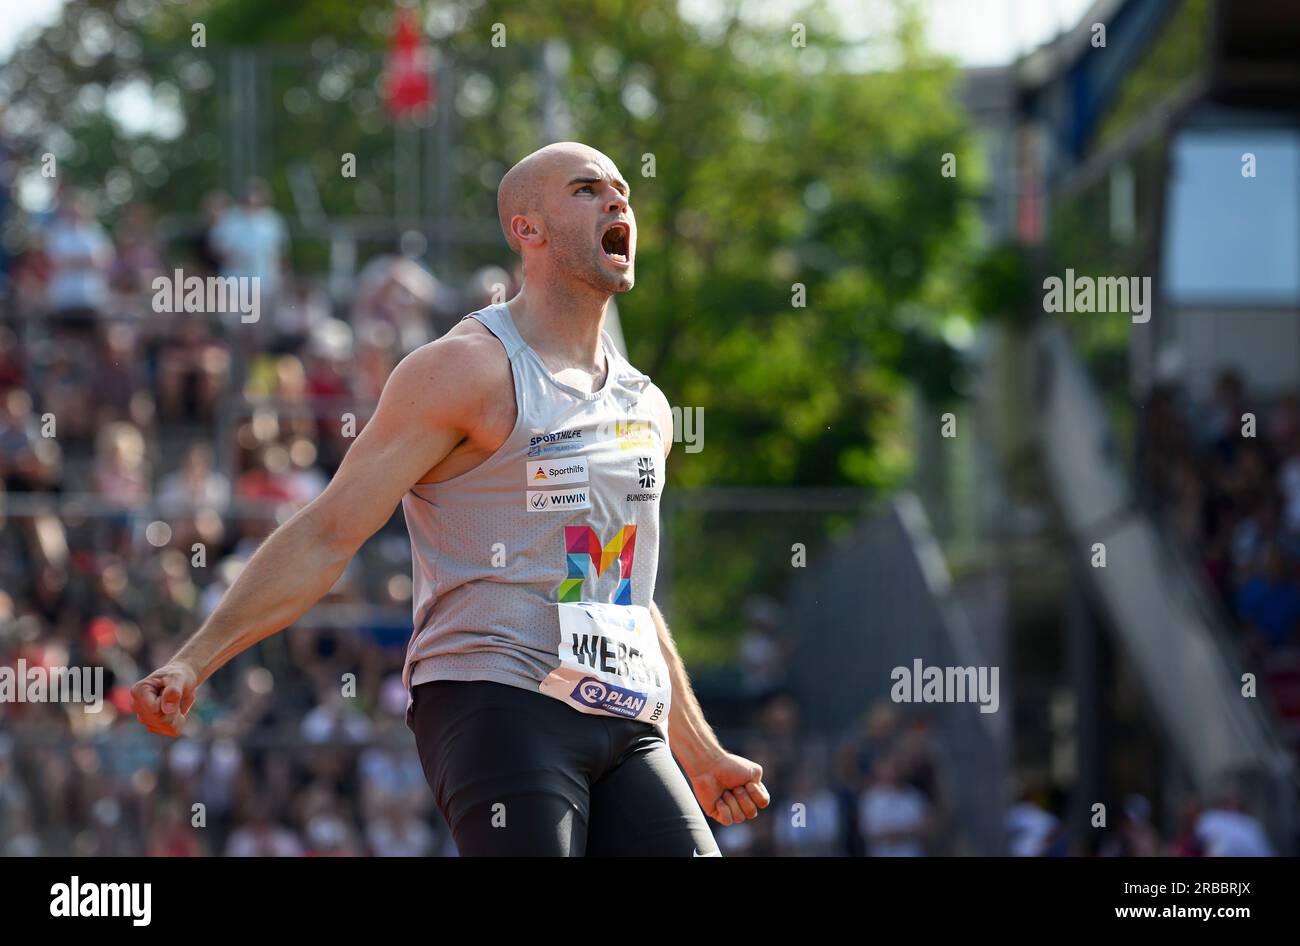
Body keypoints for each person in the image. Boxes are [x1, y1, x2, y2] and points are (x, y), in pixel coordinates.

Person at [131, 141, 769, 855]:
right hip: (498, 697)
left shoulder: (644, 405)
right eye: (587, 189)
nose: (618, 201)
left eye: (622, 190)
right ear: (526, 230)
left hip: (627, 718)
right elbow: (326, 532)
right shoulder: (464, 370)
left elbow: (623, 592)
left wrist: (701, 750)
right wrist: (195, 659)